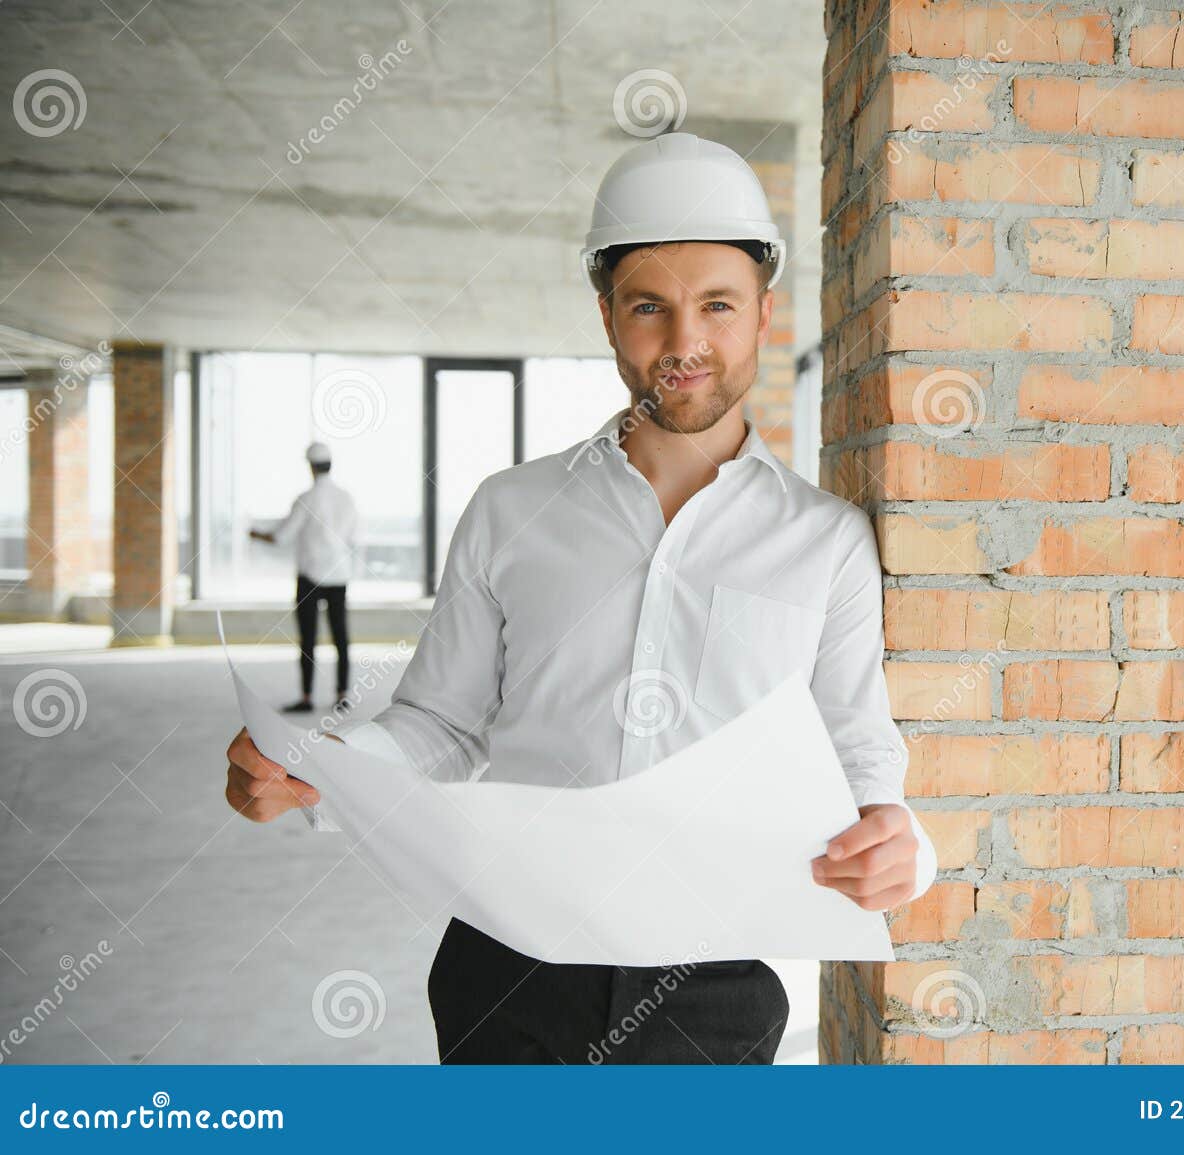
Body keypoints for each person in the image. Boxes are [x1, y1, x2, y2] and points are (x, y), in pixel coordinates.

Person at [223, 132, 935, 1065]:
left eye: (718, 305)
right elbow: (442, 723)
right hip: (504, 967)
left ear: (765, 313)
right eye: (649, 307)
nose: (684, 342)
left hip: (713, 992)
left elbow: (858, 751)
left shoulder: (827, 543)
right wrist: (324, 770)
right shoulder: (510, 511)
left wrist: (901, 841)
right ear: (607, 317)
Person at [249, 441, 362, 714]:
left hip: (310, 577)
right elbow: (355, 538)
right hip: (339, 576)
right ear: (330, 465)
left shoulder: (306, 499)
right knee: (341, 637)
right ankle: (342, 695)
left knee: (308, 639)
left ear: (311, 467)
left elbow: (282, 537)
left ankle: (307, 696)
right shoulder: (346, 498)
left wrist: (255, 534)